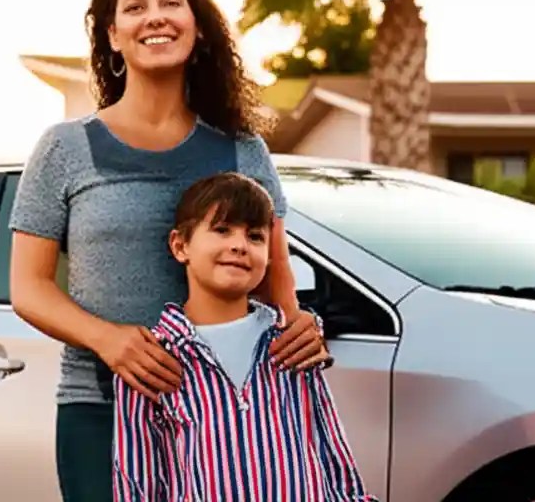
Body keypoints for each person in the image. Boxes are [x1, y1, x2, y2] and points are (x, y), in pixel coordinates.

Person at [8, 0, 331, 501]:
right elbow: (28, 288)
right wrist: (108, 340)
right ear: (112, 36)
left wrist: (301, 326)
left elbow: (278, 278)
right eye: (134, 7)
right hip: (101, 407)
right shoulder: (64, 149)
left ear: (197, 29)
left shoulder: (242, 150)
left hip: (229, 416)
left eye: (171, 3)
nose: (154, 16)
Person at [111, 172, 376, 502]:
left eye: (255, 237)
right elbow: (139, 484)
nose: (239, 245)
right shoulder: (153, 356)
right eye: (222, 230)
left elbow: (336, 465)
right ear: (180, 246)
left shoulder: (292, 343)